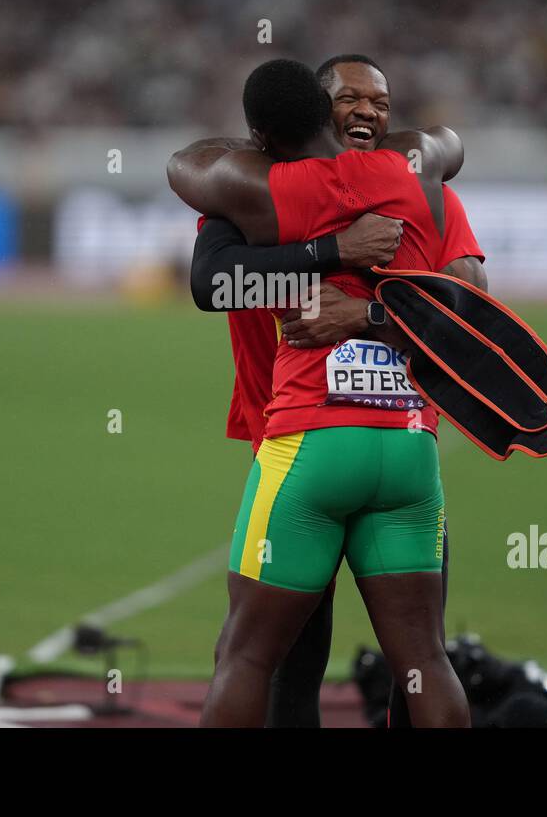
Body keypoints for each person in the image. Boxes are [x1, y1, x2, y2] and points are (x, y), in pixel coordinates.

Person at [185, 54, 486, 727]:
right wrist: (342, 254)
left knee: (249, 655)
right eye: (351, 99)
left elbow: (200, 226)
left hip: (304, 445)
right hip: (406, 444)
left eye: (381, 101)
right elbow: (464, 302)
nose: (369, 111)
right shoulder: (419, 182)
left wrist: (354, 306)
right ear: (322, 112)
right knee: (420, 660)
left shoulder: (263, 192)